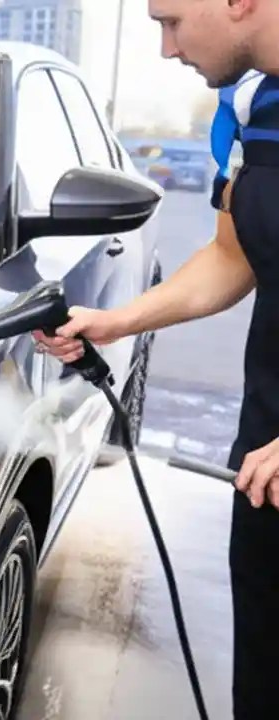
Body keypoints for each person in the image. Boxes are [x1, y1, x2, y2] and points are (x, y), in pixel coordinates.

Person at [33, 1, 279, 717]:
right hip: (265, 458)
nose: (167, 49)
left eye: (171, 20)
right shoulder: (255, 106)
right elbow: (234, 257)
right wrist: (117, 320)